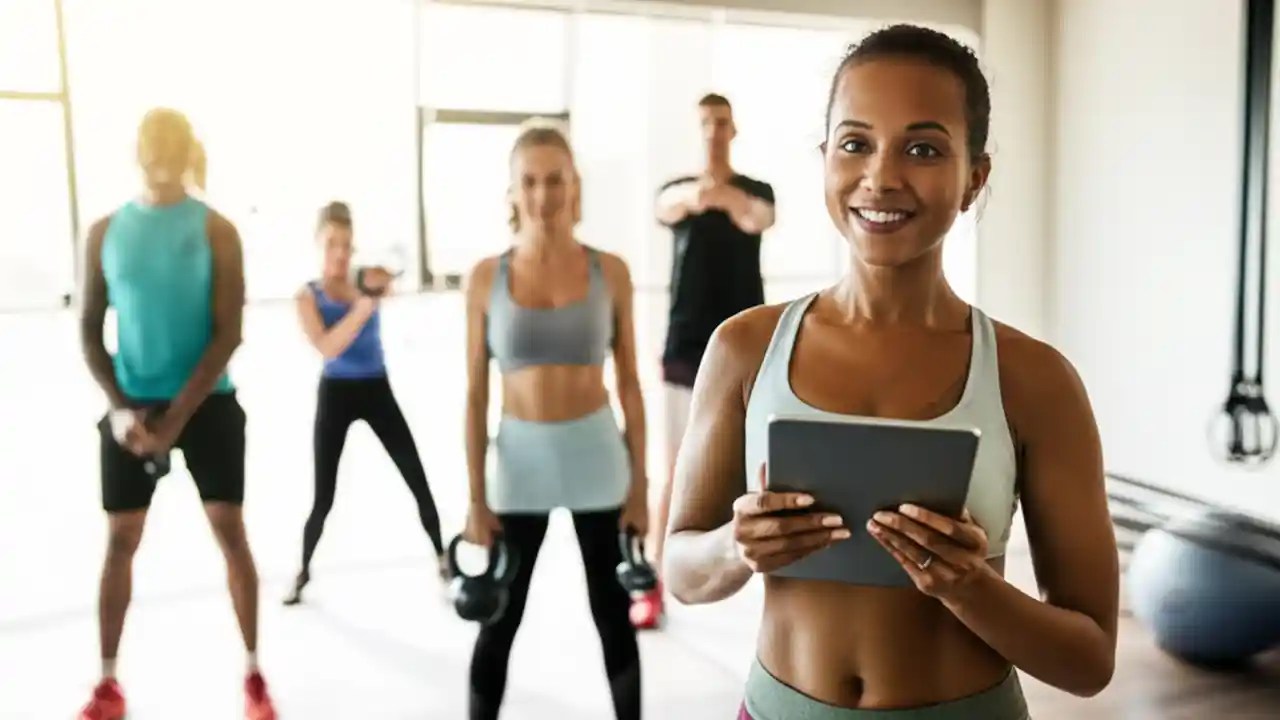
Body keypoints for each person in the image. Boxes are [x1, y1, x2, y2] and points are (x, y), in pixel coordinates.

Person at [663, 25, 1119, 720]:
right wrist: (736, 546)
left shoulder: (1037, 380)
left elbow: (1089, 662)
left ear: (974, 177)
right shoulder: (743, 350)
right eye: (855, 144)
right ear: (824, 160)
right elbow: (682, 573)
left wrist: (971, 587)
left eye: (924, 148)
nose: (881, 176)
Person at [77, 108, 277, 720]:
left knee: (230, 532)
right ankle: (108, 685)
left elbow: (228, 333)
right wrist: (120, 411)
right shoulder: (105, 230)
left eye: (171, 140)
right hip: (132, 410)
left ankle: (253, 677)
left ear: (189, 149)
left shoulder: (217, 230)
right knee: (120, 542)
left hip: (208, 404)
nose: (160, 151)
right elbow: (89, 329)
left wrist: (177, 420)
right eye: (150, 141)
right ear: (136, 150)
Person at [461, 119, 648, 720]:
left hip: (597, 459)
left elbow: (631, 384)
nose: (544, 195)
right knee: (499, 618)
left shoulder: (610, 271)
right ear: (513, 191)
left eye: (556, 180)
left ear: (575, 185)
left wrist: (642, 485)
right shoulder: (486, 276)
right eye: (531, 182)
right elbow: (472, 394)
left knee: (612, 617)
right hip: (519, 464)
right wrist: (474, 498)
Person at [641, 93, 777, 629]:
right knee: (673, 470)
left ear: (734, 128)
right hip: (685, 346)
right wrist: (707, 196)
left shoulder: (757, 191)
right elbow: (671, 206)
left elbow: (754, 217)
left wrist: (719, 197)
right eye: (706, 123)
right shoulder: (677, 191)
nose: (714, 131)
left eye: (722, 121)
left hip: (747, 354)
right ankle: (653, 583)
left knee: (765, 470)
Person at [282, 201, 449, 606]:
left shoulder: (364, 280)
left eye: (346, 244)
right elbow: (327, 346)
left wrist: (384, 282)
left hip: (376, 388)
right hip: (336, 393)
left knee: (416, 475)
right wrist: (365, 303)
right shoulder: (307, 296)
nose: (339, 253)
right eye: (331, 244)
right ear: (319, 243)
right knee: (323, 496)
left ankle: (445, 561)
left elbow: (396, 280)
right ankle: (302, 571)